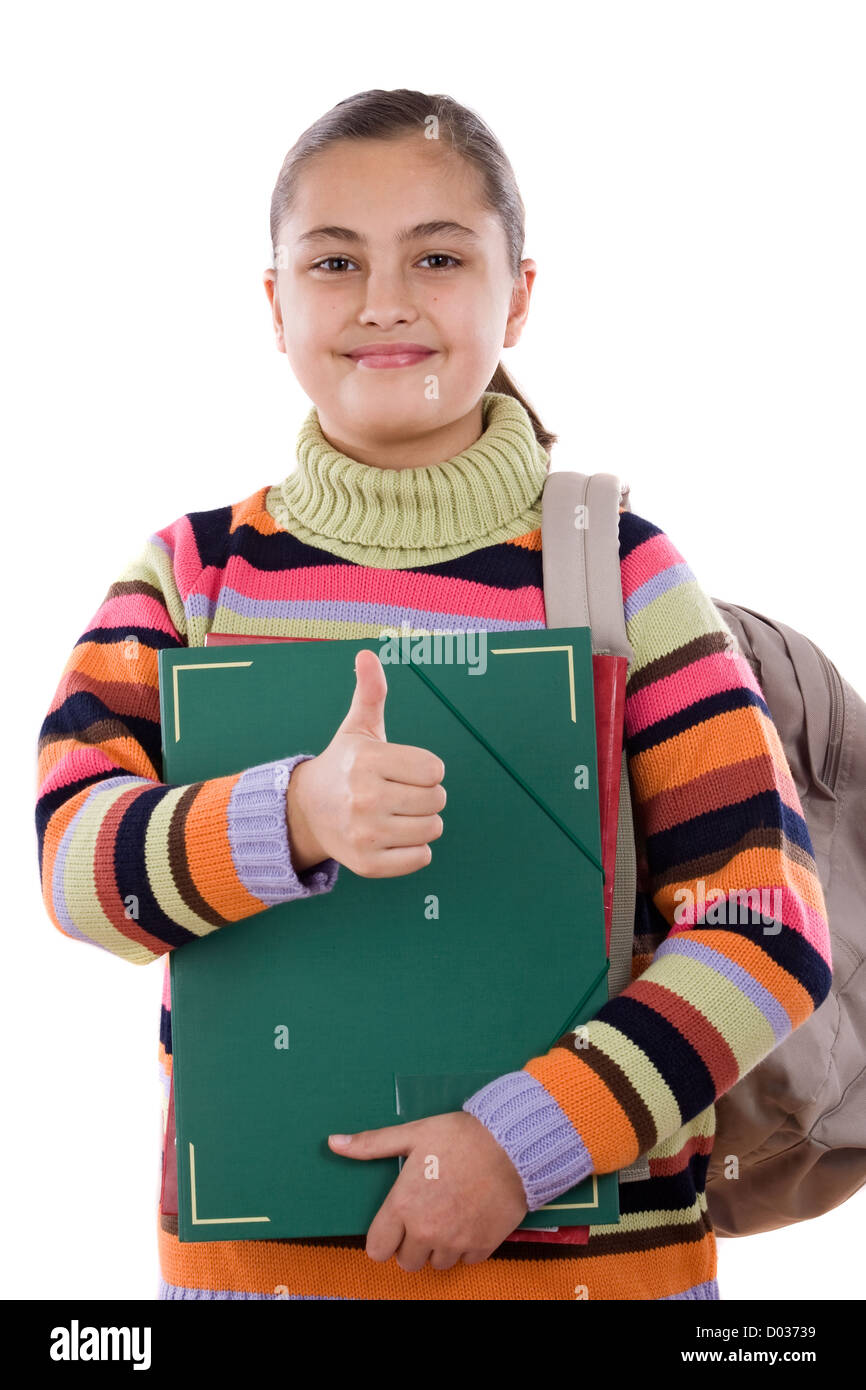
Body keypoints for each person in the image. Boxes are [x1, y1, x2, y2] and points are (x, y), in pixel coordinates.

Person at [34, 88, 832, 1301]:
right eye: (335, 260)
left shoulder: (618, 570)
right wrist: (294, 814)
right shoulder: (189, 577)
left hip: (599, 1280)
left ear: (515, 294)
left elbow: (763, 927)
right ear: (275, 303)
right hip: (256, 1277)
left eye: (439, 256)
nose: (385, 300)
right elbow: (77, 876)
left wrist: (521, 1145)